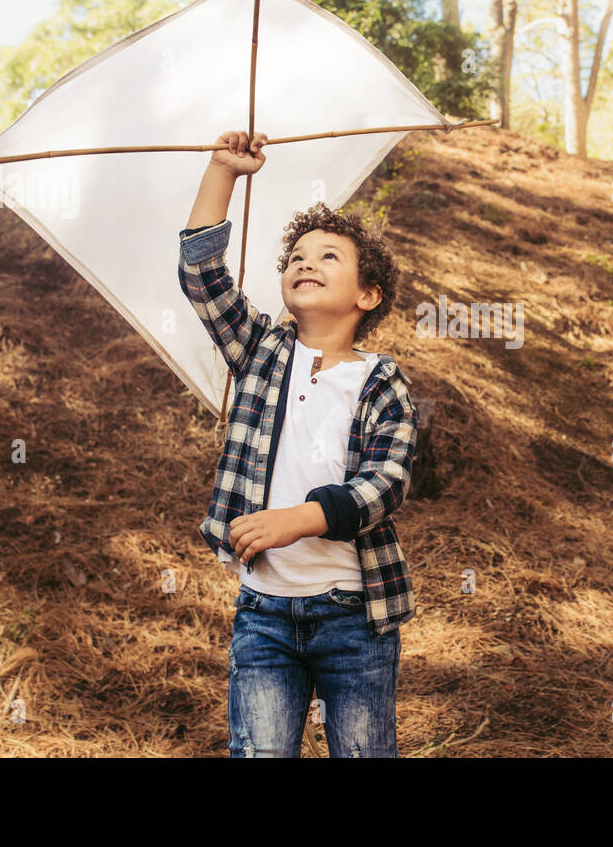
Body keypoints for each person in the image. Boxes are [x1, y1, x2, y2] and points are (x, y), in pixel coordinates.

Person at [178, 130, 419, 757]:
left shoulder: (379, 379)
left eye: (328, 257)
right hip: (264, 613)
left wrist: (301, 519)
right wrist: (222, 172)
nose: (305, 263)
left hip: (354, 614)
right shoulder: (260, 351)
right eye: (296, 258)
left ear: (368, 295)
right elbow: (202, 276)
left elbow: (386, 483)